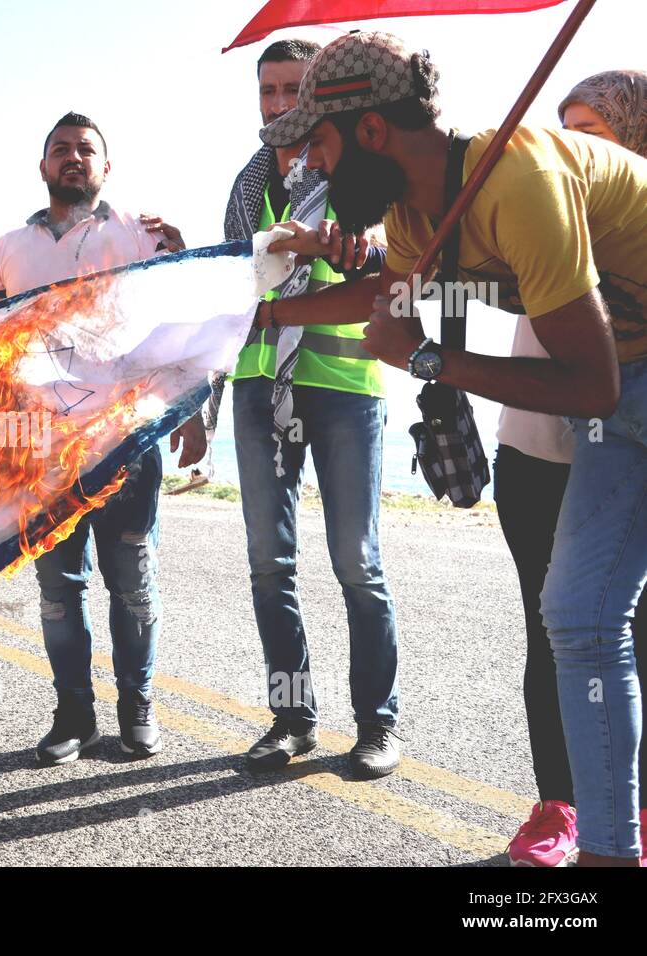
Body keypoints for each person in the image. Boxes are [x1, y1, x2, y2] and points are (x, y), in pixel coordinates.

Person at [260, 31, 647, 866]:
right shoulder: (414, 205)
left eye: (318, 143)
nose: (312, 168)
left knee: (587, 614)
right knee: (576, 614)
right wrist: (264, 315)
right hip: (631, 375)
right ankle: (611, 850)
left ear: (369, 133)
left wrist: (430, 359)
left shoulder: (520, 181)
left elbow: (592, 385)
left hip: (624, 383)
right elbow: (388, 291)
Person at [0, 111, 201, 766]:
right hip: (43, 450)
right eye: (61, 150)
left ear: (107, 167)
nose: (73, 157)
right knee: (58, 589)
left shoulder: (141, 232)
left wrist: (191, 414)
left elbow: (179, 324)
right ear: (43, 167)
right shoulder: (8, 248)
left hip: (127, 442)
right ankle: (73, 713)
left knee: (133, 583)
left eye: (86, 149)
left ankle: (137, 708)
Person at [224, 39, 401, 779]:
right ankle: (292, 720)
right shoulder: (249, 179)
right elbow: (235, 276)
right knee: (271, 566)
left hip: (345, 388)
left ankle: (378, 726)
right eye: (268, 90)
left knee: (357, 563)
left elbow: (402, 259)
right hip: (260, 385)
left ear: (322, 96)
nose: (278, 103)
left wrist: (346, 247)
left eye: (293, 89)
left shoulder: (363, 173)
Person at [498, 69, 647, 867]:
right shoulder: (538, 204)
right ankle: (559, 807)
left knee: (628, 635)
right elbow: (460, 270)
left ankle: (629, 816)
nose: (569, 148)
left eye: (590, 133)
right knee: (551, 633)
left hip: (626, 446)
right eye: (563, 131)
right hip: (536, 448)